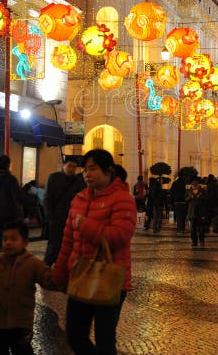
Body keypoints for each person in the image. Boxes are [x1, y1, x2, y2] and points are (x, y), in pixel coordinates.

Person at [52, 149, 136, 355]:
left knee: (104, 339)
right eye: (85, 170)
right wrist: (60, 273)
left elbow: (120, 236)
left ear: (109, 171)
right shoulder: (79, 199)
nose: (87, 174)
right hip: (81, 275)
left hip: (109, 279)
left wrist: (87, 226)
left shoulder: (122, 199)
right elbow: (67, 240)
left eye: (93, 169)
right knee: (74, 335)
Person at [0, 220, 53, 355]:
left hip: (21, 323)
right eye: (5, 239)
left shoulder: (33, 263)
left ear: (25, 242)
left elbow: (48, 279)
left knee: (23, 351)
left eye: (13, 239)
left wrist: (59, 277)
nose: (8, 243)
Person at [0, 155, 31, 258]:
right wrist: (29, 203)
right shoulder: (11, 179)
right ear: (8, 165)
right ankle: (9, 264)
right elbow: (17, 196)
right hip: (10, 217)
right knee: (11, 242)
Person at [43, 160, 84, 265]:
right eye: (69, 166)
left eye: (74, 166)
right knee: (54, 245)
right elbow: (47, 198)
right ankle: (46, 268)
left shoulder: (78, 181)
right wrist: (51, 217)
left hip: (72, 218)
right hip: (56, 218)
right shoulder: (53, 177)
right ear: (63, 166)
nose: (72, 169)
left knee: (69, 245)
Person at [186, 173, 207, 247]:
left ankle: (201, 240)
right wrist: (190, 197)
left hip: (200, 211)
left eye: (196, 181)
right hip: (192, 211)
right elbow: (186, 199)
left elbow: (206, 199)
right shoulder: (188, 190)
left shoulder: (202, 190)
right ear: (191, 182)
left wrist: (200, 197)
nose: (194, 183)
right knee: (193, 228)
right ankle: (194, 241)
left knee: (201, 227)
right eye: (193, 182)